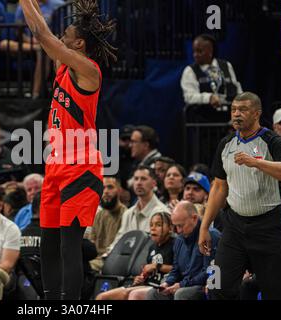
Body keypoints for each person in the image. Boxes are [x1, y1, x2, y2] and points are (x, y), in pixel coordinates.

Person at [19, 0, 117, 299]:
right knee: (48, 242)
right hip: (56, 165)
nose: (60, 39)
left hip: (83, 167)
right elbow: (43, 34)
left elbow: (43, 36)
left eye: (66, 35)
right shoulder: (64, 66)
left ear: (79, 43)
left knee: (68, 244)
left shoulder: (89, 71)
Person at [199, 92, 281, 300]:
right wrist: (205, 226)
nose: (236, 114)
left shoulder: (272, 141)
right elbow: (219, 188)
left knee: (276, 294)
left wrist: (257, 162)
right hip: (234, 227)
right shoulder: (226, 144)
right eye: (233, 110)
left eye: (243, 110)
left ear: (257, 113)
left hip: (268, 226)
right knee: (216, 287)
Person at [146, 201, 220, 300]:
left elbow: (209, 271)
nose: (178, 231)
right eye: (175, 226)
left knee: (181, 294)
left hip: (206, 285)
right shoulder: (179, 240)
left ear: (194, 218)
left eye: (180, 226)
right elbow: (176, 269)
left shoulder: (208, 236)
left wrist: (182, 285)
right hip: (186, 283)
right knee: (154, 293)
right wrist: (167, 283)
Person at [96, 211, 174, 300]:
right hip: (147, 285)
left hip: (162, 287)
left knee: (133, 295)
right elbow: (149, 271)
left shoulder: (175, 245)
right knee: (101, 297)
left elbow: (180, 270)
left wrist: (157, 266)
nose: (153, 228)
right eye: (151, 225)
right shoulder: (152, 247)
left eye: (158, 225)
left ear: (170, 228)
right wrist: (141, 278)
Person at [106, 166, 169, 254]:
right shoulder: (128, 213)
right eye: (136, 179)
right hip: (127, 261)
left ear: (154, 183)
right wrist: (107, 255)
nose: (139, 183)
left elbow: (161, 248)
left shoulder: (162, 212)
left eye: (143, 179)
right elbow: (119, 241)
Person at [181, 33, 243, 122]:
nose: (195, 55)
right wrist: (209, 98)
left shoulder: (226, 66)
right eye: (194, 51)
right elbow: (189, 97)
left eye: (199, 51)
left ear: (210, 50)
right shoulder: (190, 71)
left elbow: (237, 89)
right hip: (204, 123)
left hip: (229, 121)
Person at [88, 176, 127, 272]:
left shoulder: (126, 214)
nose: (105, 191)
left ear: (119, 190)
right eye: (103, 188)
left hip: (112, 260)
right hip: (95, 259)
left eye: (110, 187)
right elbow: (91, 241)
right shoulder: (99, 215)